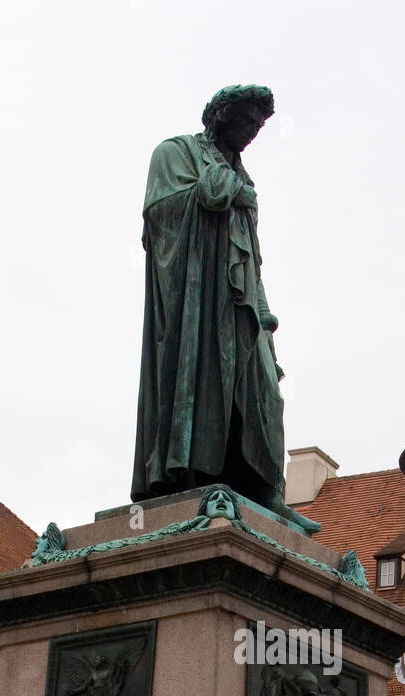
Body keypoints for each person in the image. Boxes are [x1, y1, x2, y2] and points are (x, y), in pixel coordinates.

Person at [131, 85, 285, 509]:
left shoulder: (243, 179)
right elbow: (160, 215)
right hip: (194, 310)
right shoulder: (174, 152)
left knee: (266, 392)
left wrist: (265, 311)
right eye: (246, 121)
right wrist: (218, 192)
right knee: (210, 380)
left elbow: (251, 256)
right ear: (220, 116)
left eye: (259, 124)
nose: (253, 131)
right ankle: (198, 475)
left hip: (242, 303)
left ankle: (260, 491)